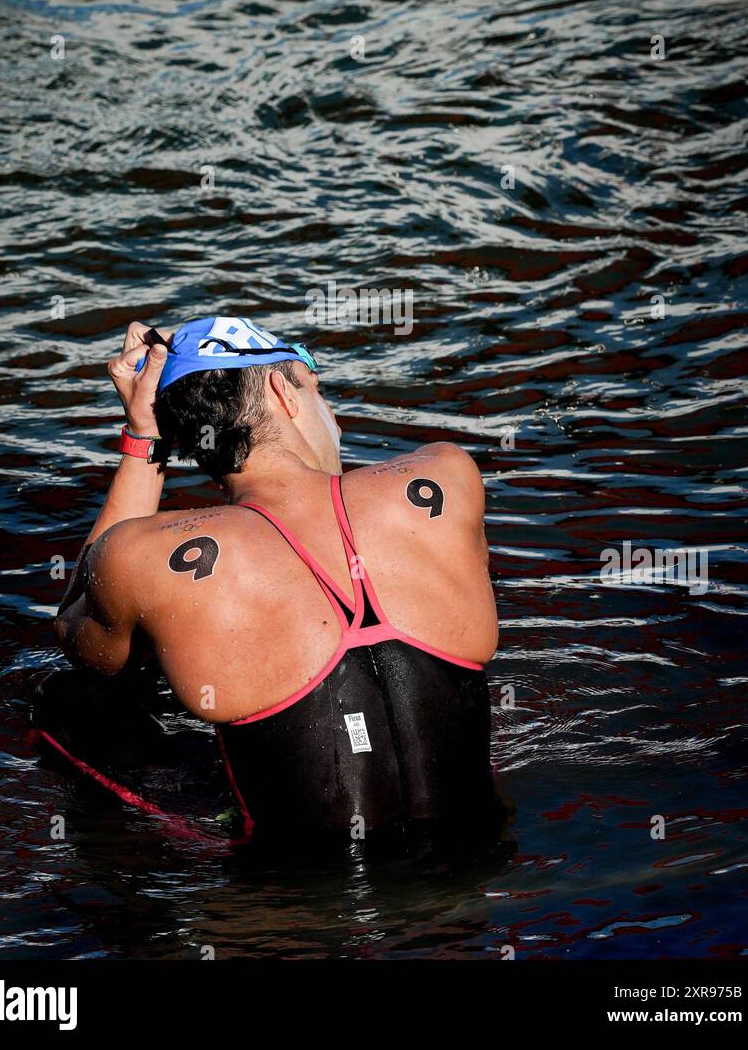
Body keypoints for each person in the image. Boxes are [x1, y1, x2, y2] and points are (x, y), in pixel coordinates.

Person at [54, 315, 501, 849]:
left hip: (291, 915)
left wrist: (144, 437)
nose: (337, 422)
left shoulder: (144, 555)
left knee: (65, 700)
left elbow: (78, 634)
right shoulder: (445, 475)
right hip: (481, 871)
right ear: (280, 391)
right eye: (317, 388)